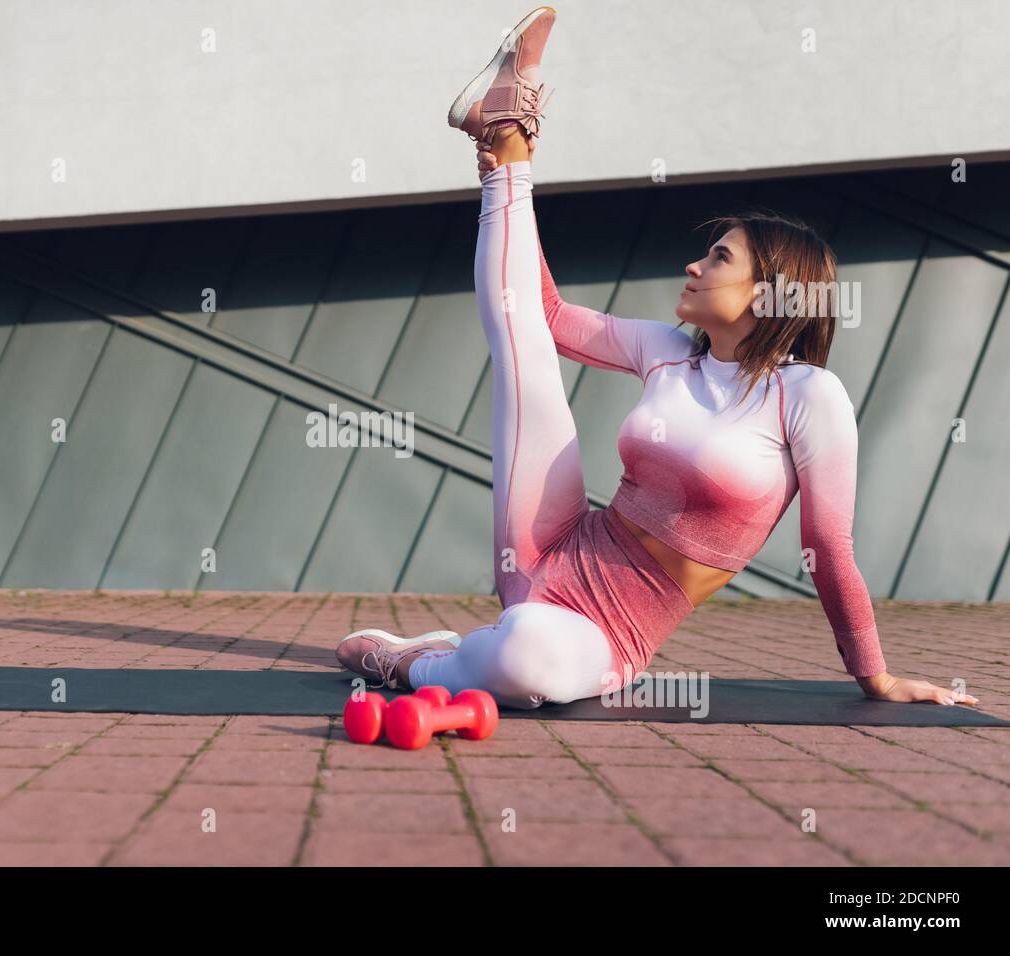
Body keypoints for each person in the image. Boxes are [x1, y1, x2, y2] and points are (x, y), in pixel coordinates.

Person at [336, 6, 978, 710]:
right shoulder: (670, 353)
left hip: (608, 633)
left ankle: (417, 664)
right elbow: (543, 316)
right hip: (547, 545)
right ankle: (508, 142)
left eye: (719, 256)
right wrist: (510, 189)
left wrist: (874, 674)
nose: (695, 266)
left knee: (524, 659)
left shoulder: (808, 397)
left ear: (770, 294)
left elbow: (828, 548)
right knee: (524, 346)